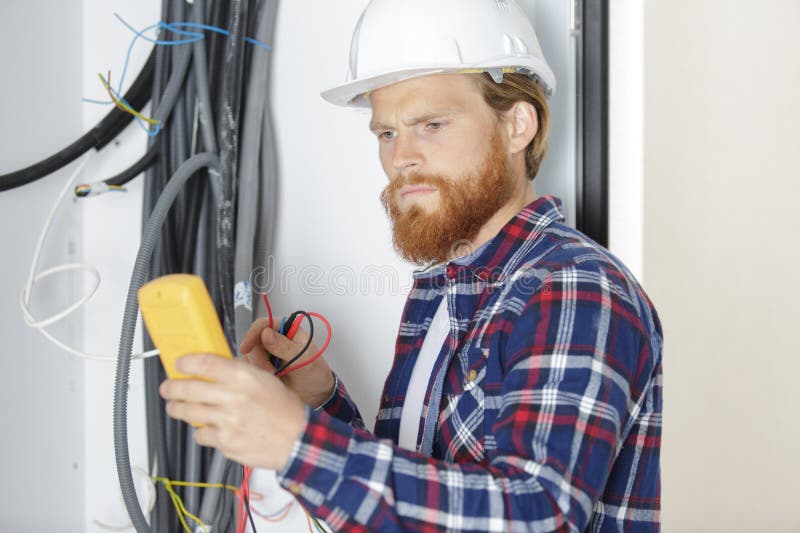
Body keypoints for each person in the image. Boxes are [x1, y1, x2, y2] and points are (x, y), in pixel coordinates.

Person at [159, 0, 663, 530]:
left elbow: (537, 516)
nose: (401, 157)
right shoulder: (441, 293)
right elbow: (426, 501)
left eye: (432, 124)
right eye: (387, 133)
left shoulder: (571, 287)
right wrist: (320, 402)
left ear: (518, 125)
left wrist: (295, 442)